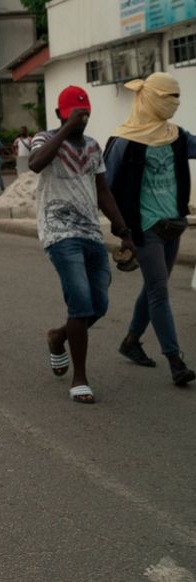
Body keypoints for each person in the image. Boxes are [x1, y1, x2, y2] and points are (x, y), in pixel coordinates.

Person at [31, 86, 134, 405]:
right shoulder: (43, 139)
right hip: (58, 232)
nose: (82, 118)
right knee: (79, 301)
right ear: (61, 113)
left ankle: (59, 336)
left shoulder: (92, 146)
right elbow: (35, 163)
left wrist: (123, 229)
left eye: (85, 113)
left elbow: (102, 190)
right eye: (76, 113)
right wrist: (65, 130)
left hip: (90, 232)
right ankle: (80, 379)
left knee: (98, 304)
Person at [105, 72, 196, 386]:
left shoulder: (176, 136)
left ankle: (131, 341)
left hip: (174, 226)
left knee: (154, 287)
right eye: (169, 96)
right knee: (159, 292)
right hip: (145, 230)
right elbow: (107, 188)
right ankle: (175, 361)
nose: (176, 103)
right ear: (150, 97)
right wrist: (122, 231)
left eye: (178, 96)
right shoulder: (124, 142)